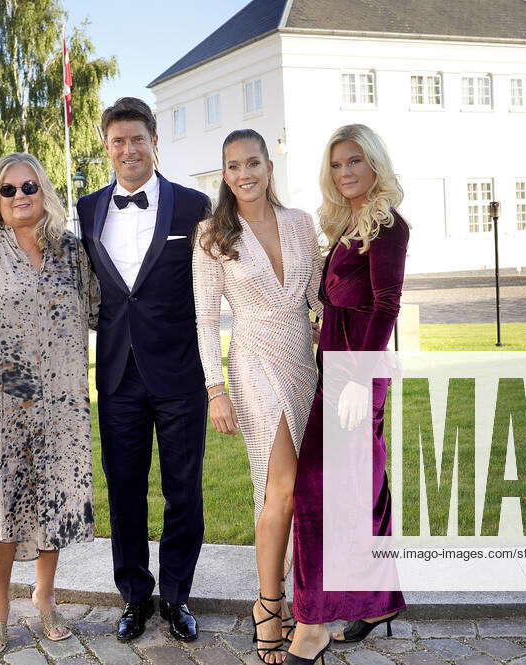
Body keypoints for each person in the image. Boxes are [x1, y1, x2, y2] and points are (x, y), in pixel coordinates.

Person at [0, 152, 99, 655]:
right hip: (1, 404)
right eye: (8, 190)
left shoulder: (72, 252)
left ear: (43, 191)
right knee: (1, 503)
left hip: (62, 401)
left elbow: (103, 310)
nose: (19, 197)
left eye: (28, 186)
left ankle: (46, 597)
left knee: (53, 499)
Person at [76, 97, 211, 642]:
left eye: (137, 139)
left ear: (156, 142)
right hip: (116, 377)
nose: (128, 150)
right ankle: (134, 594)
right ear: (106, 147)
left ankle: (176, 596)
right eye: (117, 141)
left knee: (185, 489)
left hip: (181, 373)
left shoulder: (193, 206)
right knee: (125, 490)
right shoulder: (86, 211)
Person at [193, 129, 323, 663]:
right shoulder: (212, 235)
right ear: (223, 174)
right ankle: (270, 606)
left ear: (269, 166)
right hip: (251, 364)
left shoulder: (300, 223)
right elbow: (204, 320)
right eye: (232, 166)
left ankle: (282, 597)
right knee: (283, 486)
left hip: (301, 363)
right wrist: (214, 389)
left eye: (252, 162)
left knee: (293, 490)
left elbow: (318, 296)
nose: (243, 173)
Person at [286, 124, 410, 665]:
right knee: (362, 487)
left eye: (355, 161)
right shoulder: (350, 224)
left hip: (356, 375)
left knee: (312, 492)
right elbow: (343, 298)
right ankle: (378, 601)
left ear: (375, 163)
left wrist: (358, 377)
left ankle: (310, 622)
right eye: (337, 165)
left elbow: (385, 306)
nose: (346, 172)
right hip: (339, 366)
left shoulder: (388, 227)